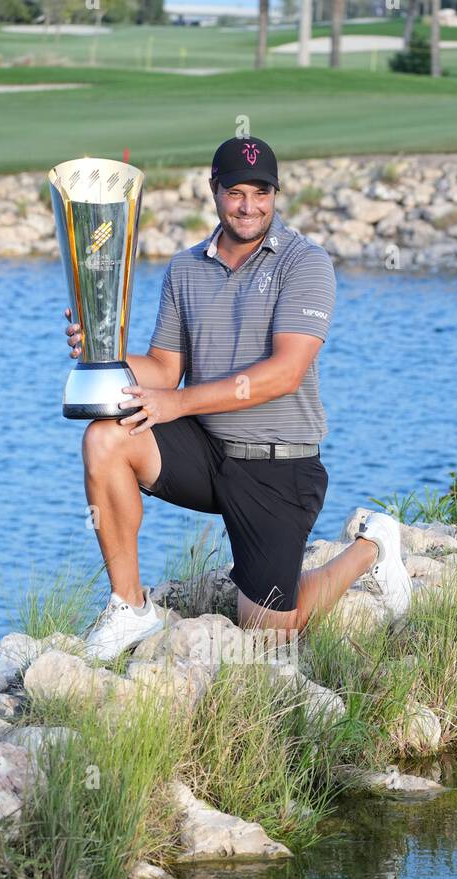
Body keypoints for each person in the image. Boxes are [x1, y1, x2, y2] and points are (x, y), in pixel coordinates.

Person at [65, 135, 411, 660]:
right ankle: (129, 607)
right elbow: (163, 369)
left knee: (271, 631)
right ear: (214, 191)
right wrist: (103, 346)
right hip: (209, 451)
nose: (249, 205)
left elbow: (284, 373)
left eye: (261, 192)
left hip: (279, 464)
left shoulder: (305, 263)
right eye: (236, 192)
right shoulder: (185, 269)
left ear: (276, 194)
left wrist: (177, 404)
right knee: (105, 437)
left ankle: (373, 547)